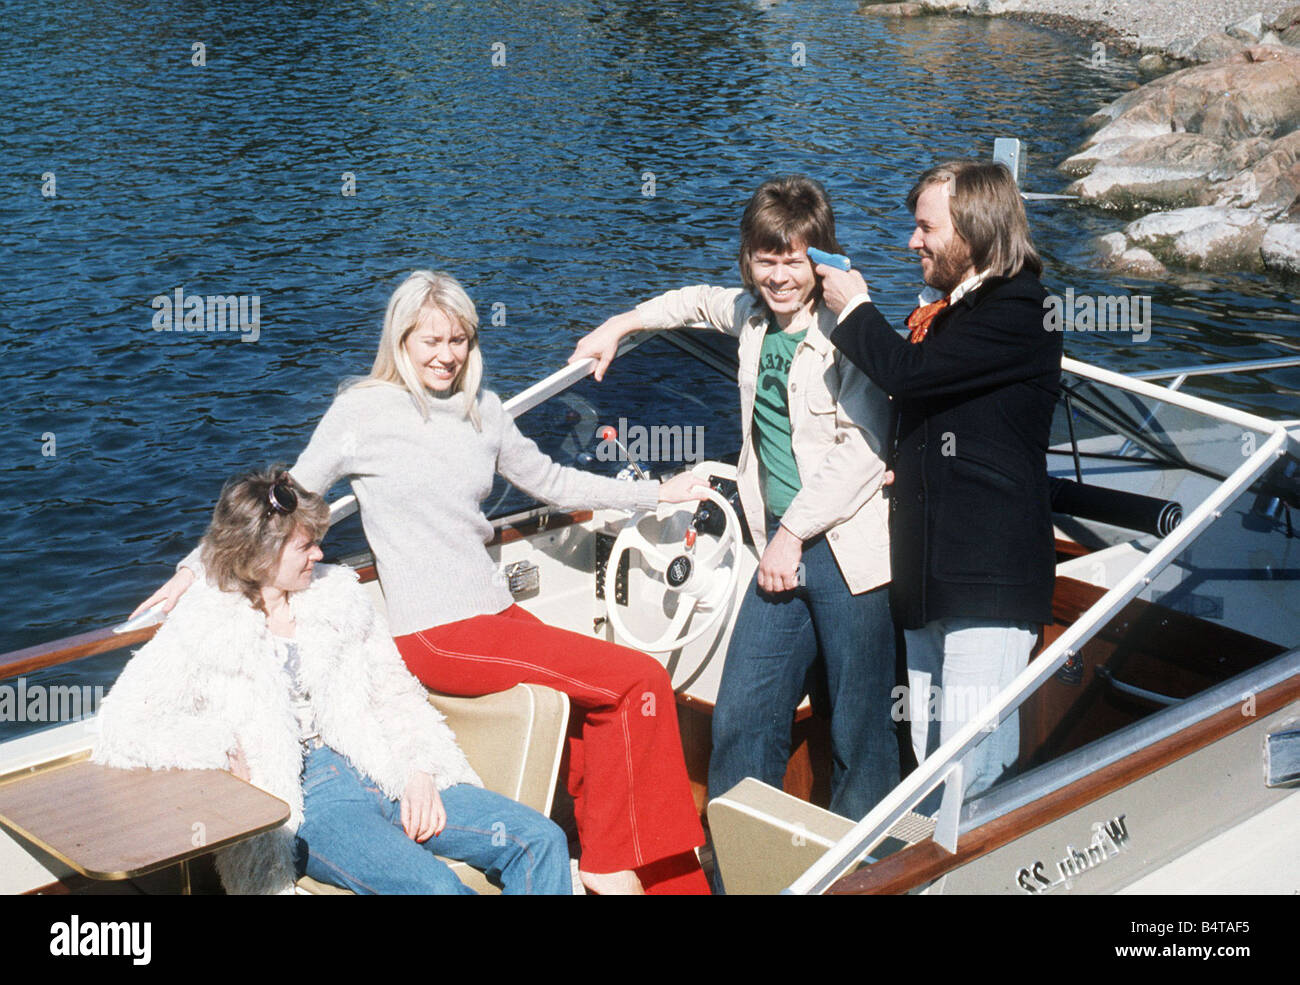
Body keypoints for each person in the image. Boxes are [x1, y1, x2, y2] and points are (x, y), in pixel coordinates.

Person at [132, 272, 712, 895]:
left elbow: (553, 480)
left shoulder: (482, 409)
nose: (446, 355)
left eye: (459, 340)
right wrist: (194, 566)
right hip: (435, 633)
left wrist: (655, 491)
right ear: (401, 339)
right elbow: (285, 497)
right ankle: (603, 865)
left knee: (594, 706)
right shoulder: (363, 410)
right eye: (431, 340)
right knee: (638, 678)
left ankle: (663, 881)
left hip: (495, 616)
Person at [572, 175, 899, 880]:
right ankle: (741, 877)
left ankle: (861, 876)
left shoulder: (852, 330)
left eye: (794, 259)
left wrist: (792, 534)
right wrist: (620, 325)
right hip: (776, 549)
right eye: (765, 258)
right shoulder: (752, 319)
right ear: (748, 260)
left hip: (844, 551)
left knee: (860, 734)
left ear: (823, 260)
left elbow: (867, 447)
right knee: (742, 721)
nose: (779, 275)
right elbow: (690, 301)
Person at [97, 468, 571, 895]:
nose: (320, 554)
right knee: (434, 888)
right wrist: (220, 748)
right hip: (310, 800)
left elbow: (396, 692)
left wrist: (421, 769)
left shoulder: (338, 596)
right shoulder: (204, 624)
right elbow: (119, 726)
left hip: (382, 759)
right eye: (305, 546)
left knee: (540, 840)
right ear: (259, 552)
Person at [816, 159, 1063, 798]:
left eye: (926, 228)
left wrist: (854, 309)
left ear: (976, 229)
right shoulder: (951, 313)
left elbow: (909, 374)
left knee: (969, 764)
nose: (912, 241)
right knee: (931, 755)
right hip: (930, 575)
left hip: (987, 577)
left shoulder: (1023, 308)